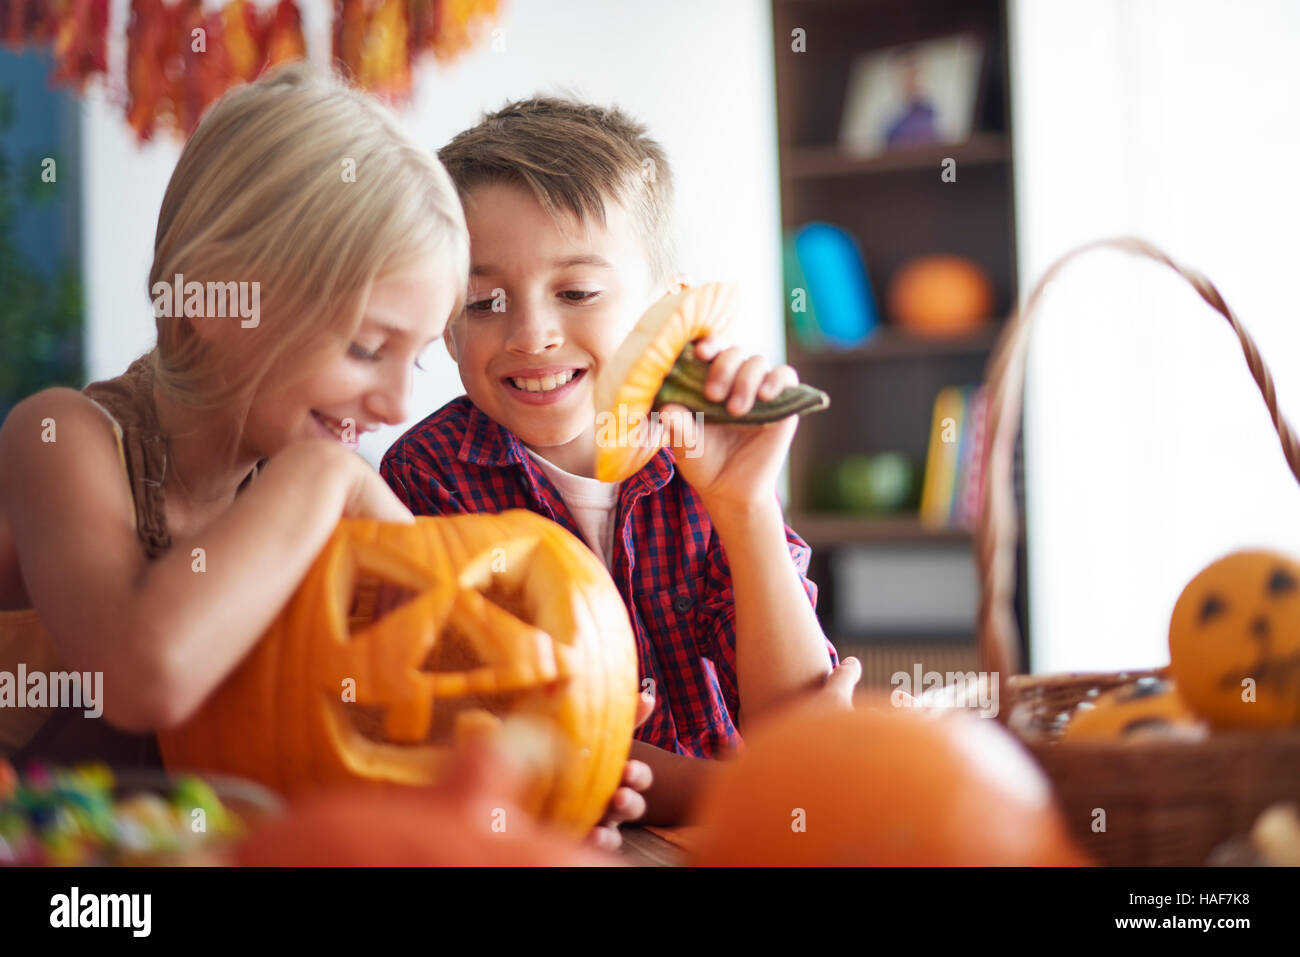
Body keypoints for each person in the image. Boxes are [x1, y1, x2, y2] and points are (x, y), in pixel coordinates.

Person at [381, 97, 856, 826]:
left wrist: (746, 506)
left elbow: (797, 731)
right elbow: (489, 732)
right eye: (483, 301)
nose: (533, 334)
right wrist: (752, 793)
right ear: (446, 324)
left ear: (663, 314)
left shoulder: (705, 458)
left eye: (576, 292)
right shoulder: (427, 477)